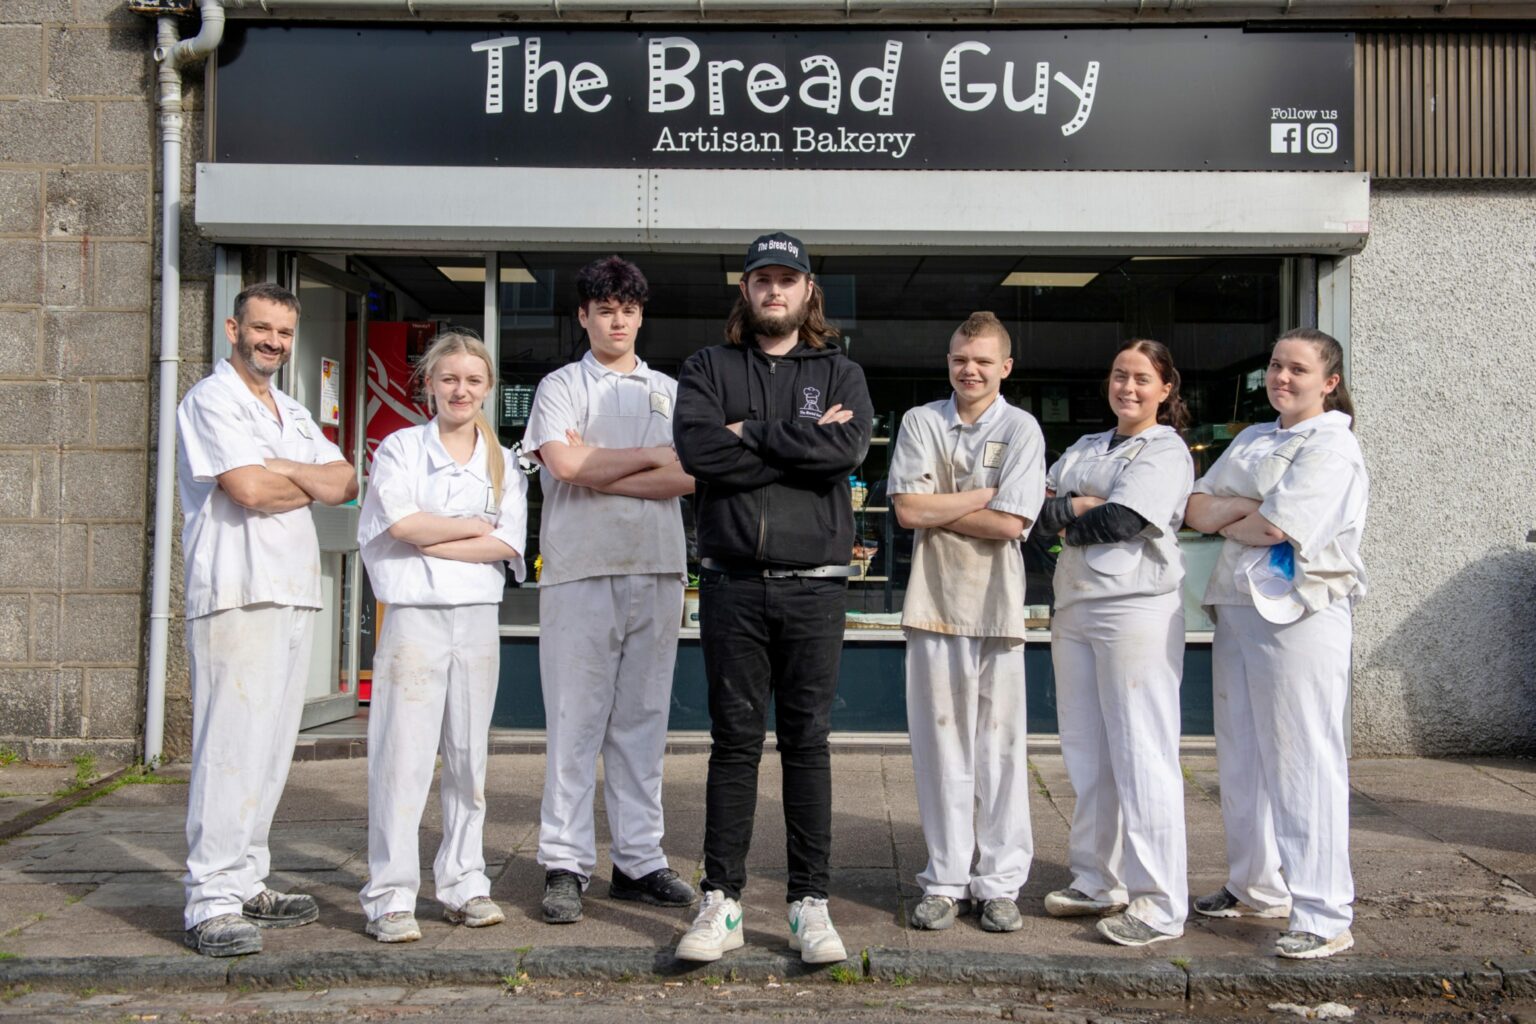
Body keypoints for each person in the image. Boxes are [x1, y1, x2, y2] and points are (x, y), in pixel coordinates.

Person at [671, 231, 872, 964]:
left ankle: (808, 904)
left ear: (807, 290)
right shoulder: (707, 367)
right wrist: (793, 445)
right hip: (731, 583)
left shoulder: (841, 371)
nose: (774, 291)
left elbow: (843, 454)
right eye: (762, 280)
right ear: (746, 291)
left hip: (815, 588)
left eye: (787, 280)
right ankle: (720, 901)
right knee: (732, 745)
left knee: (807, 744)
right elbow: (699, 453)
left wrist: (750, 435)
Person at [176, 282, 359, 957]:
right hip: (235, 590)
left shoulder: (290, 407)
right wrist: (297, 477)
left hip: (289, 591)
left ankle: (248, 879)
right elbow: (247, 491)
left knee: (271, 752)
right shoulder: (209, 400)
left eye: (283, 333)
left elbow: (342, 482)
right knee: (230, 749)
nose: (273, 343)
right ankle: (210, 900)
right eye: (261, 329)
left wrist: (286, 469)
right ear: (233, 328)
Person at [521, 257, 698, 924]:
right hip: (580, 568)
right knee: (575, 721)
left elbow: (689, 476)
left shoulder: (671, 390)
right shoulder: (561, 386)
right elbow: (563, 463)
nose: (617, 318)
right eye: (604, 307)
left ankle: (638, 860)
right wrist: (649, 457)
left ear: (640, 315)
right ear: (584, 316)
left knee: (643, 722)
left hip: (656, 566)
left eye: (627, 308)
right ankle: (565, 862)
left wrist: (598, 468)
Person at [1184, 328, 1367, 960]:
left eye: (1297, 369)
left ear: (1329, 382)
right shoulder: (1253, 437)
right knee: (1243, 756)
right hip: (1237, 606)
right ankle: (1254, 885)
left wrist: (1244, 507)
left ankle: (1322, 911)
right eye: (1274, 367)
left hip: (1300, 616)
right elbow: (1194, 508)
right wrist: (1249, 506)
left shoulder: (1333, 448)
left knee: (1302, 759)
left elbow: (1275, 525)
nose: (1281, 378)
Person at [356, 330, 527, 943]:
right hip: (414, 615)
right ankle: (390, 896)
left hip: (476, 617)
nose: (461, 390)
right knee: (402, 757)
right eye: (449, 378)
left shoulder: (502, 460)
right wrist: (466, 529)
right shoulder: (401, 448)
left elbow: (507, 543)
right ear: (428, 383)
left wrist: (435, 536)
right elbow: (400, 524)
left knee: (467, 760)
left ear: (488, 388)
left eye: (473, 380)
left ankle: (463, 883)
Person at [888, 312, 1045, 934]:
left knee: (1001, 751)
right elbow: (905, 509)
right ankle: (946, 879)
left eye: (982, 360)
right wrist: (985, 495)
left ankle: (1000, 882)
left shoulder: (1023, 428)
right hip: (933, 605)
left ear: (1005, 366)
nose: (969, 369)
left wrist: (940, 508)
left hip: (998, 609)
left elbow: (1014, 524)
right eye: (960, 359)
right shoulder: (922, 421)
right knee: (940, 749)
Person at [1034, 339, 1194, 947]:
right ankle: (1097, 879)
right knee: (1087, 749)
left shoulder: (1168, 449)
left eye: (1142, 379)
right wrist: (1080, 506)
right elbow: (1034, 511)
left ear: (1165, 389)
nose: (1127, 387)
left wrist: (1070, 513)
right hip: (1074, 605)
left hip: (1136, 610)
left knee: (1142, 753)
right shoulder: (1086, 446)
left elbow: (1125, 521)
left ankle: (1158, 903)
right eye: (1119, 375)